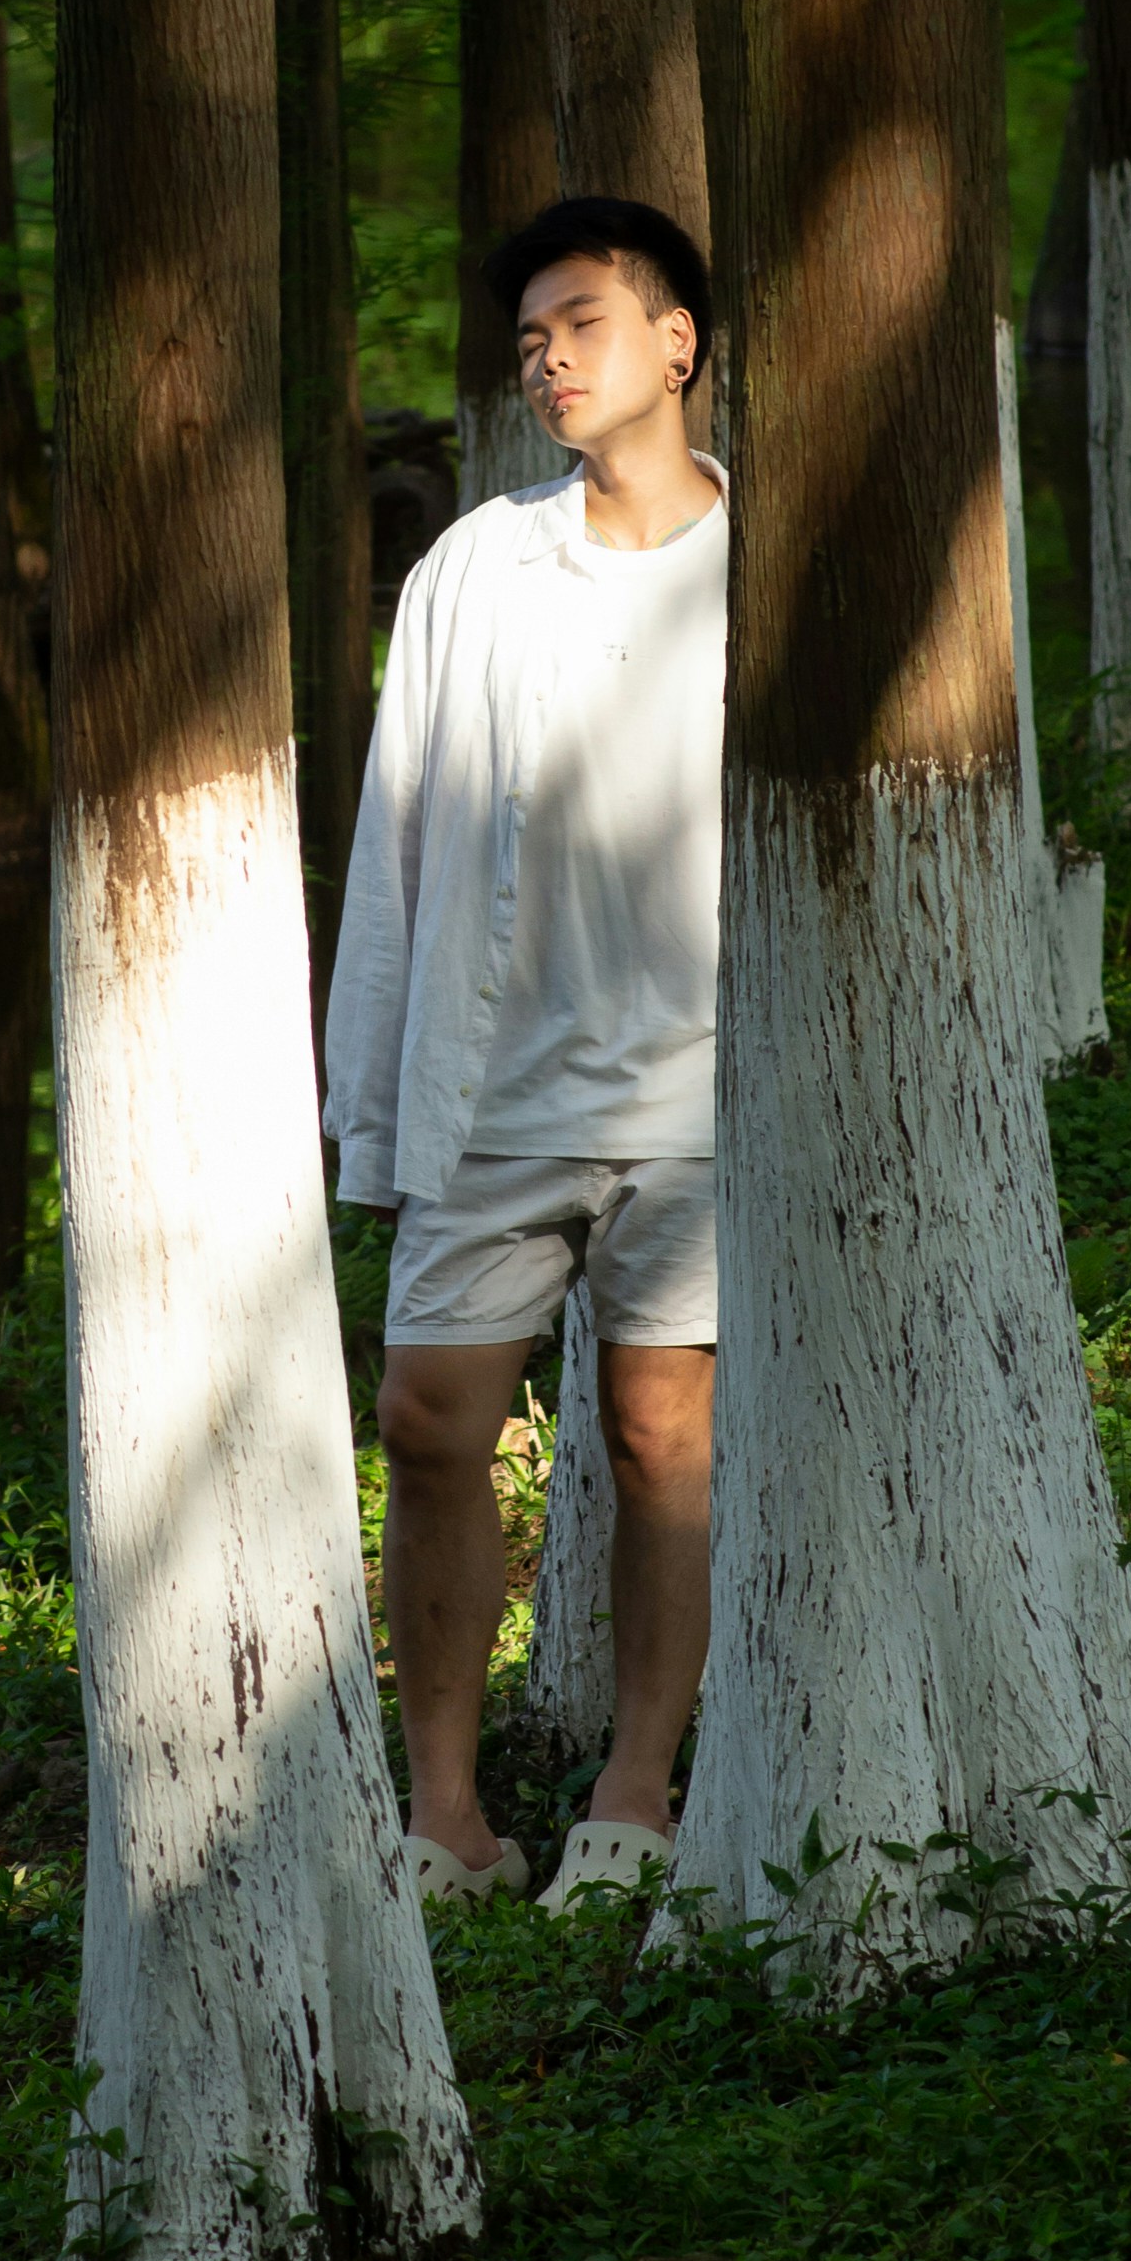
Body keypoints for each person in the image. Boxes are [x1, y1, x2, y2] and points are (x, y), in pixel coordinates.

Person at [324, 195, 724, 1916]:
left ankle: (633, 1793)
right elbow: (397, 832)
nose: (546, 359)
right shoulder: (476, 566)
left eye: (580, 323)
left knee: (655, 1434)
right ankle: (447, 1817)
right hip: (493, 1082)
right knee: (425, 1418)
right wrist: (373, 1102)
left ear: (674, 342)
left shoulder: (755, 563)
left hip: (697, 1084)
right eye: (527, 340)